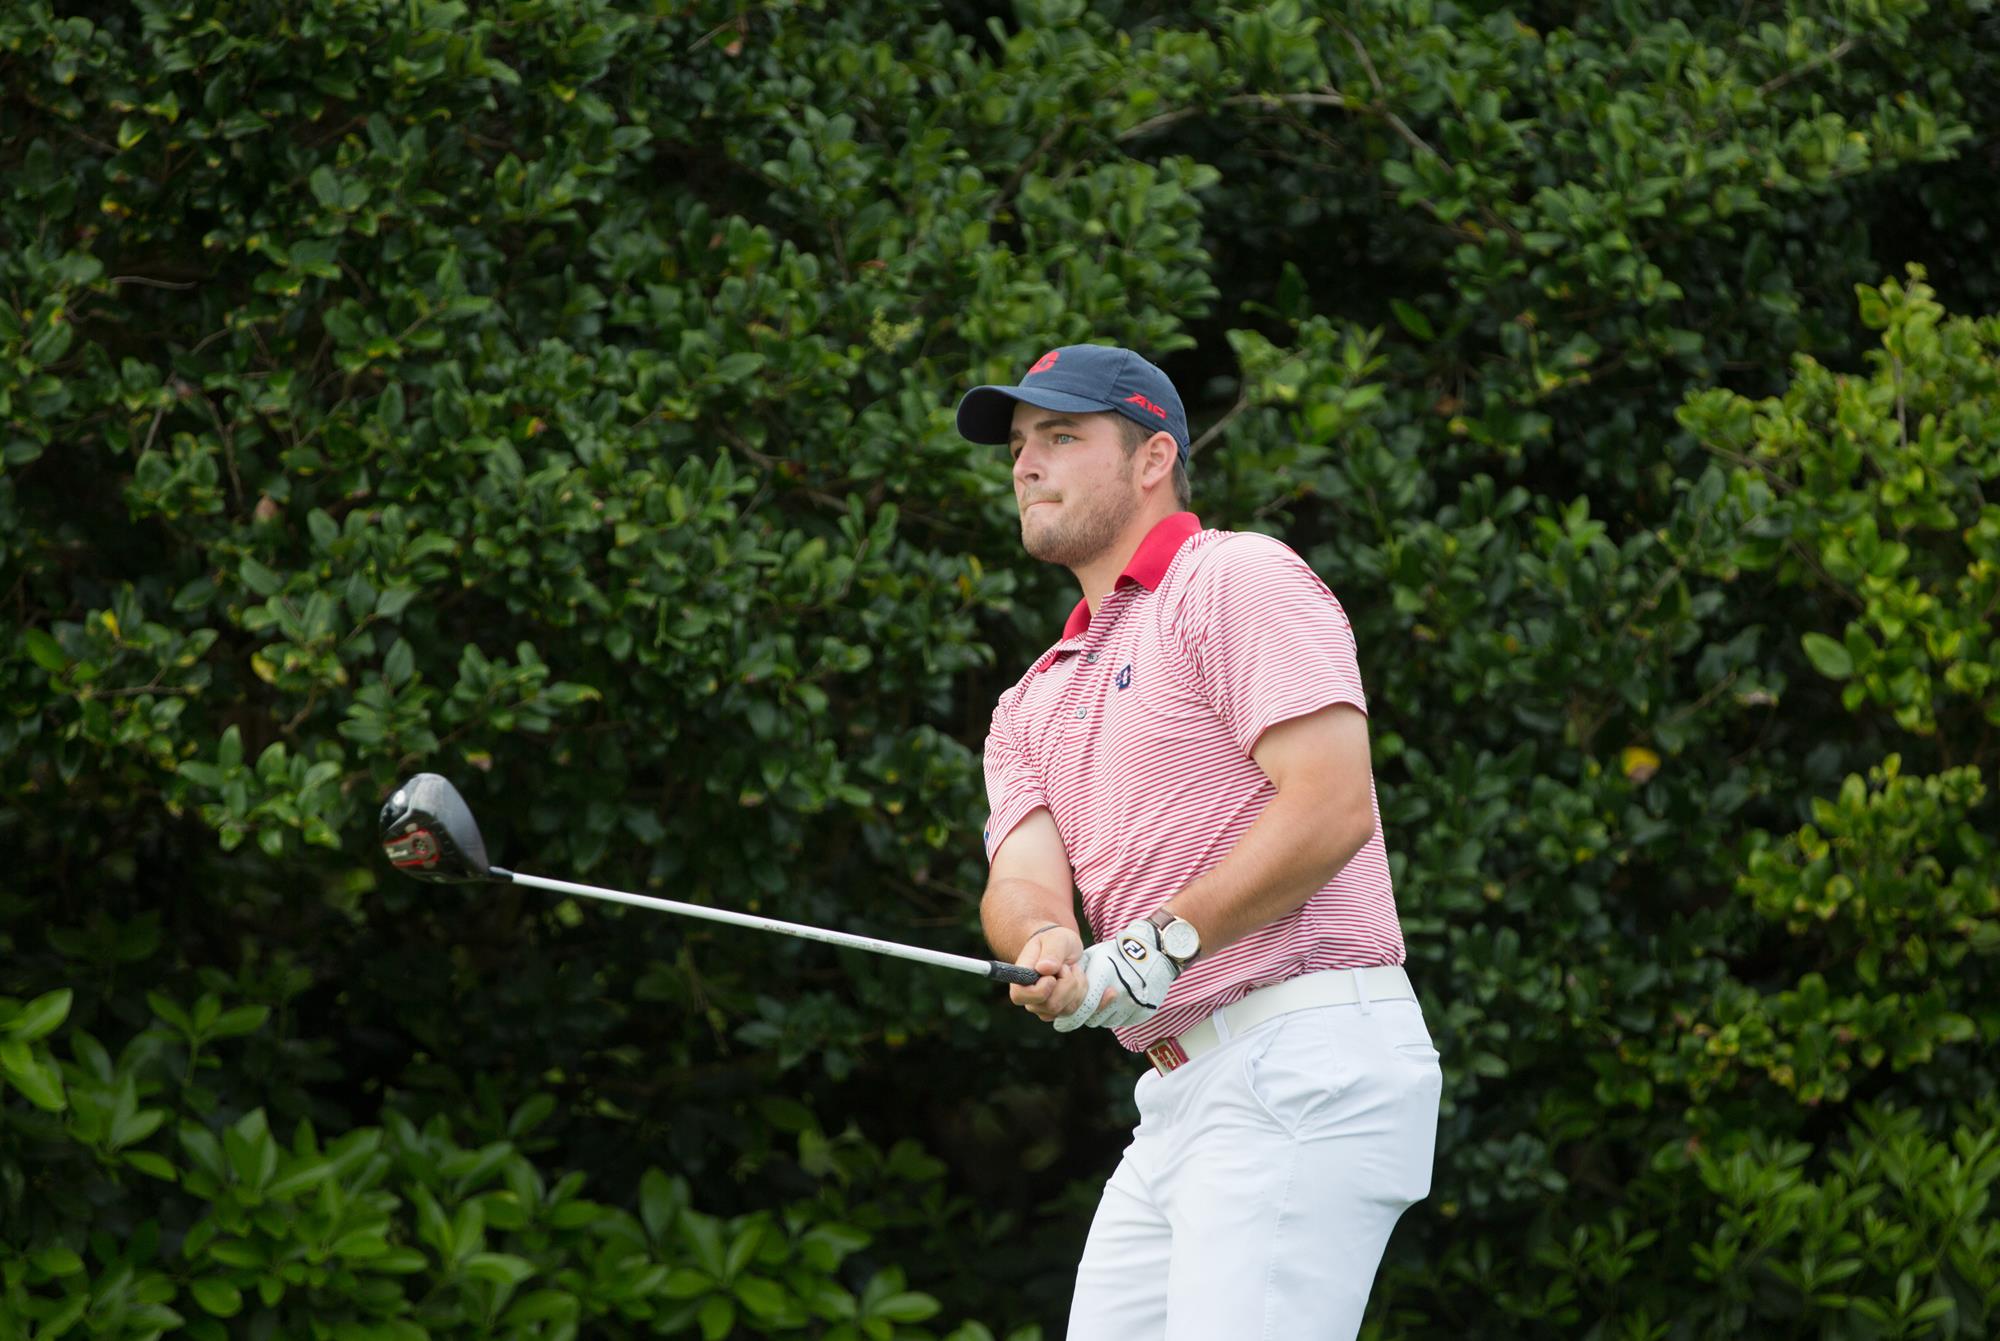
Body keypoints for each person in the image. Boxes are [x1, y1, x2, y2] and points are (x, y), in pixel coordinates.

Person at [955, 344, 1443, 1339]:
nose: (1026, 463)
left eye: (1060, 436)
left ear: (1152, 458)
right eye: (1017, 446)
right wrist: (1047, 939)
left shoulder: (1232, 578)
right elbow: (1022, 879)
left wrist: (1154, 946)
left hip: (1301, 1056)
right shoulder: (1027, 702)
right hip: (1180, 1094)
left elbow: (1331, 807)